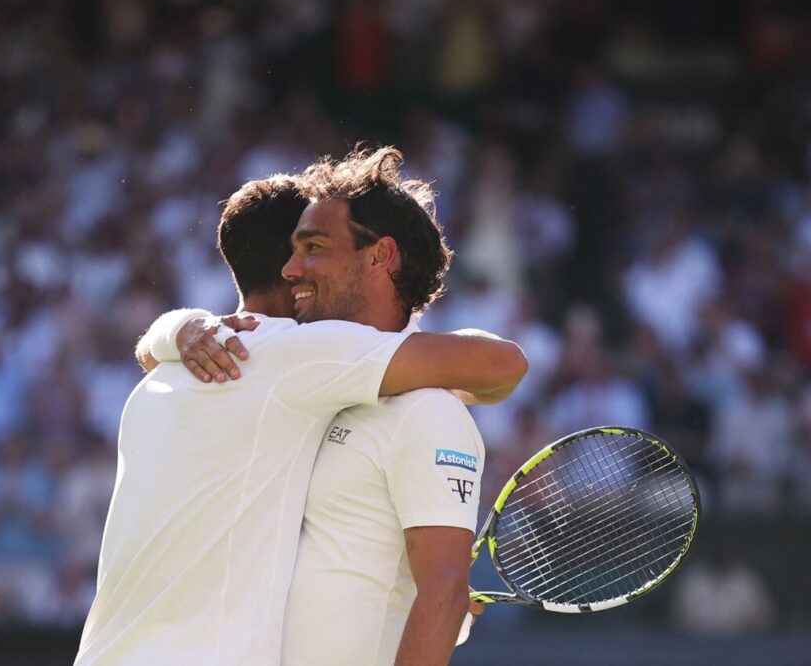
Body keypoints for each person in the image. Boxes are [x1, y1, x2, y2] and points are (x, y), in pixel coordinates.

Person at [75, 169, 526, 665]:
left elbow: (437, 593)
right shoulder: (300, 363)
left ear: (379, 255)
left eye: (313, 247)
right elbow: (500, 364)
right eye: (294, 249)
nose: (295, 268)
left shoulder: (164, 377)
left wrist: (176, 327)